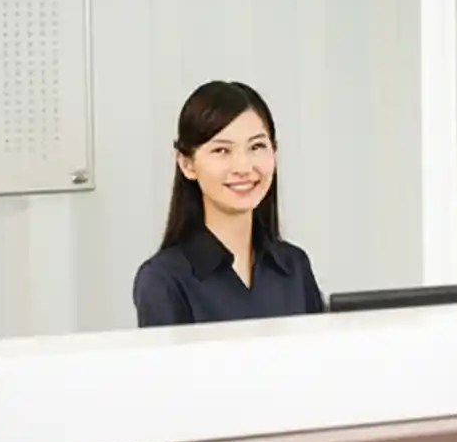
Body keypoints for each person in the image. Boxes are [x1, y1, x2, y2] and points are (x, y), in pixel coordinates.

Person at [133, 81, 324, 326]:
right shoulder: (164, 279)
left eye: (256, 146)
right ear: (187, 164)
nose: (243, 167)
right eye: (222, 151)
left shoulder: (294, 266)